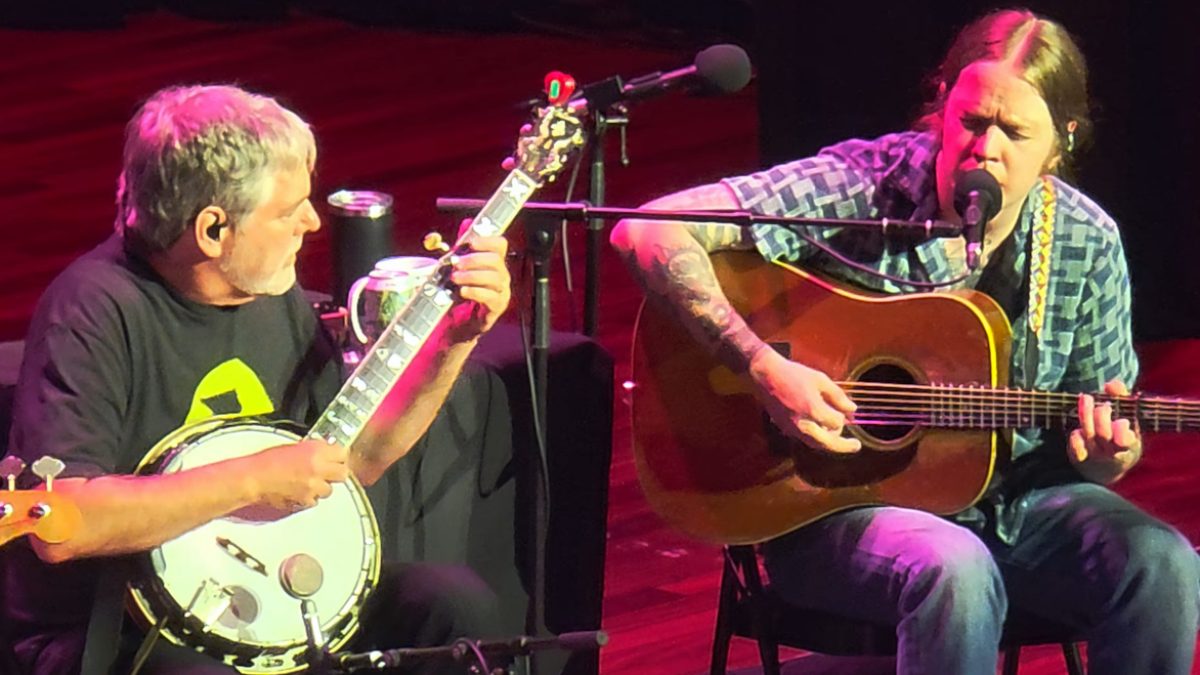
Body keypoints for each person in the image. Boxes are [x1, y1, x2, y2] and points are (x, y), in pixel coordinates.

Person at [611, 8, 1199, 674]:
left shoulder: (1088, 241)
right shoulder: (868, 185)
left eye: (1015, 132)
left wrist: (1105, 453)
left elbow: (1098, 447)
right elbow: (648, 229)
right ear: (943, 107)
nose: (987, 149)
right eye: (973, 122)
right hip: (845, 510)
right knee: (955, 569)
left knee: (1163, 563)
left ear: (1059, 143)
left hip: (1022, 508)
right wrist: (762, 366)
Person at [1, 84, 512, 674]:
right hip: (114, 624)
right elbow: (59, 526)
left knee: (449, 607)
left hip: (260, 591)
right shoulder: (92, 310)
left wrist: (453, 340)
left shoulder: (267, 291)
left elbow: (352, 462)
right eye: (288, 209)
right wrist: (250, 479)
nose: (313, 221)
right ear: (214, 231)